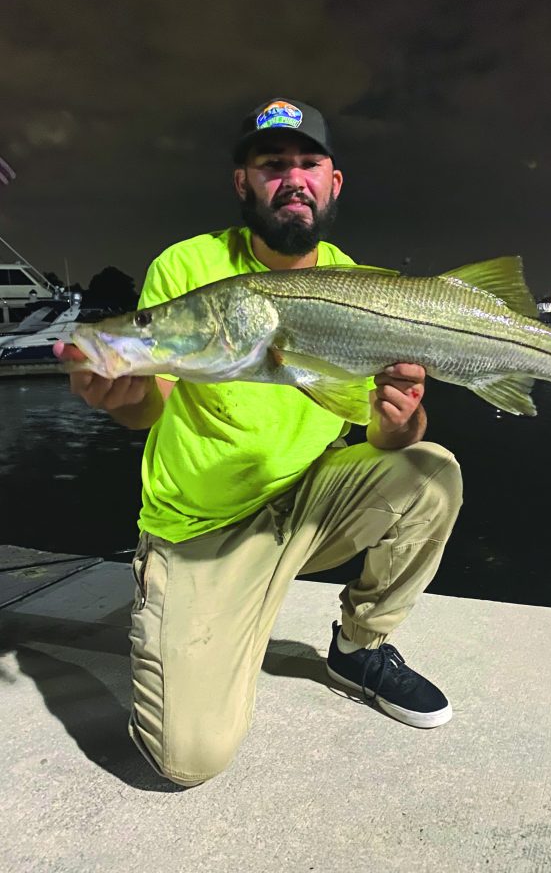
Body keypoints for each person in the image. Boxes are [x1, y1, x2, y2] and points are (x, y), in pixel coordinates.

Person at [56, 97, 463, 787]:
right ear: (242, 182)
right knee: (188, 760)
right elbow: (147, 406)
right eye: (272, 165)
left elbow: (383, 428)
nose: (292, 178)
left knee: (431, 471)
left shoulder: (359, 283)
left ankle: (358, 648)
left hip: (303, 509)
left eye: (309, 163)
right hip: (203, 531)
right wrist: (124, 394)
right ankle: (209, 613)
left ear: (334, 183)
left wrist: (400, 424)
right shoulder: (189, 269)